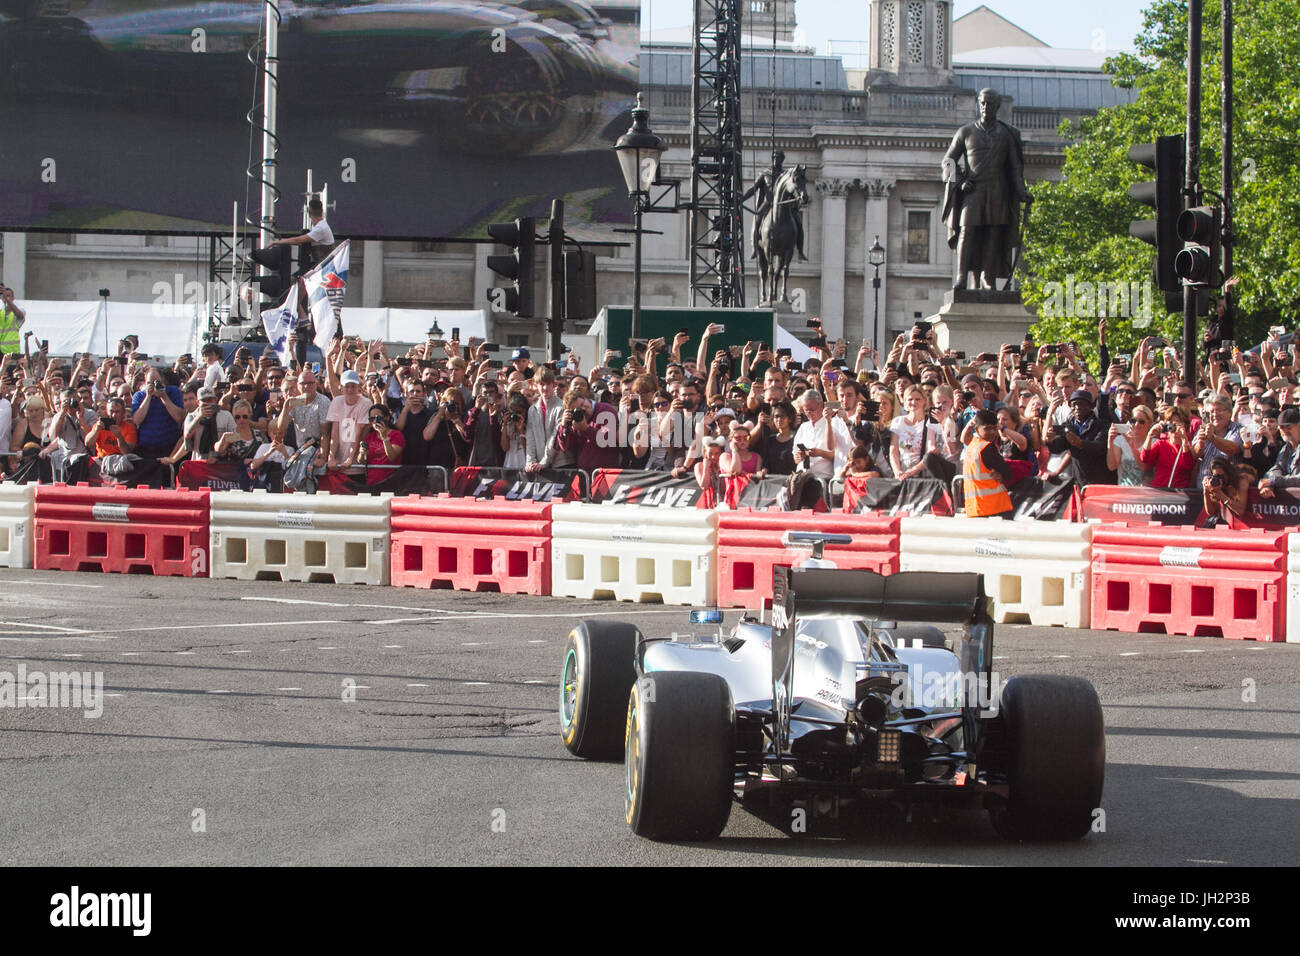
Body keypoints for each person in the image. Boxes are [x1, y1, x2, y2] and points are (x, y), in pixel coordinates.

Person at [941, 88, 1031, 290]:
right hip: (973, 191)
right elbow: (948, 161)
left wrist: (1021, 191)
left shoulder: (1007, 135)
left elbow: (1016, 168)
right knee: (967, 231)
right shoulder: (965, 132)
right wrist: (960, 182)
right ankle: (962, 277)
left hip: (998, 191)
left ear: (997, 106)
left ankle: (987, 277)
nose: (985, 107)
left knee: (993, 233)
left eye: (989, 103)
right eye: (982, 103)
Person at [743, 150, 806, 261]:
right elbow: (754, 188)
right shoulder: (765, 174)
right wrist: (742, 199)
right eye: (775, 158)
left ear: (782, 160)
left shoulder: (786, 175)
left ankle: (800, 250)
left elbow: (792, 189)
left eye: (780, 158)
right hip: (768, 204)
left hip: (784, 205)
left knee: (799, 223)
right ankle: (755, 249)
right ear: (772, 159)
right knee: (757, 220)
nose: (777, 160)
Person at [961, 409, 1015, 517]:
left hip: (975, 509)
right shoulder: (986, 447)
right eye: (987, 428)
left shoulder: (971, 446)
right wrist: (1002, 475)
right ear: (976, 429)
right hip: (995, 509)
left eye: (994, 428)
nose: (992, 432)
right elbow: (1008, 473)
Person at [889, 386, 948, 483]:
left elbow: (930, 452)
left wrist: (911, 472)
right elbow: (893, 449)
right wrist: (897, 472)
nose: (913, 402)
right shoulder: (898, 421)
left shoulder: (930, 422)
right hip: (902, 476)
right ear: (904, 401)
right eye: (910, 399)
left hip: (924, 476)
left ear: (924, 400)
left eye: (917, 399)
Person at [322, 369, 372, 474]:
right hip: (338, 464)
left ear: (358, 387)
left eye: (353, 386)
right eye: (347, 386)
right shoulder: (336, 401)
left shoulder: (366, 403)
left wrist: (350, 458)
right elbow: (334, 432)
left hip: (357, 465)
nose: (350, 390)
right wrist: (331, 457)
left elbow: (359, 432)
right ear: (341, 388)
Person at [131, 366, 185, 460]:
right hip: (146, 448)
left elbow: (179, 417)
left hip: (169, 446)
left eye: (156, 382)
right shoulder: (139, 396)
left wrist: (164, 396)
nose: (153, 386)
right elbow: (137, 420)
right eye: (149, 383)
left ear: (163, 381)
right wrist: (148, 396)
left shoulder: (173, 392)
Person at [1138, 405, 1195, 489]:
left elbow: (1188, 465)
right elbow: (1145, 458)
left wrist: (1184, 439)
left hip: (1180, 494)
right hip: (1160, 492)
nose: (1173, 426)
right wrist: (1150, 436)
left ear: (1185, 425)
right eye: (1171, 422)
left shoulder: (1190, 446)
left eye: (1178, 422)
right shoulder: (1160, 444)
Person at [1106, 405, 1154, 486]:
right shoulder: (1120, 440)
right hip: (1125, 492)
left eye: (1141, 421)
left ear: (1149, 423)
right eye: (1133, 421)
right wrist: (1110, 440)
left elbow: (1145, 468)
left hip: (1146, 494)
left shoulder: (1154, 443)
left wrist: (1132, 446)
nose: (1136, 424)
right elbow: (1112, 466)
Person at [360, 404, 404, 485]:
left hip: (391, 482)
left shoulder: (396, 435)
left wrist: (384, 437)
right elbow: (361, 461)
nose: (375, 422)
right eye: (371, 419)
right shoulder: (370, 436)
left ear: (387, 417)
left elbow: (392, 457)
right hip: (372, 482)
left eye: (378, 418)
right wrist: (362, 453)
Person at [214, 400, 265, 464]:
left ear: (250, 415)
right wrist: (222, 440)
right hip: (237, 472)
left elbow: (267, 454)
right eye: (237, 417)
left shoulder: (259, 434)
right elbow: (219, 450)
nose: (241, 420)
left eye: (245, 416)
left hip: (259, 471)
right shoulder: (232, 436)